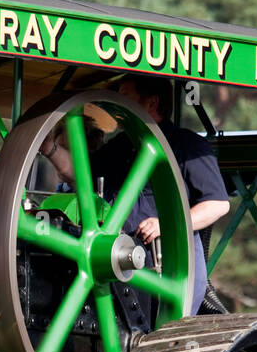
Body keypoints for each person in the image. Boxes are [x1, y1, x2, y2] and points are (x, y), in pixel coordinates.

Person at [42, 73, 231, 318]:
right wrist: (50, 149)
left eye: (125, 96)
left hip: (169, 269)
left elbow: (217, 204)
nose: (117, 105)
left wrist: (166, 225)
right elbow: (78, 173)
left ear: (151, 103)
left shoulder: (187, 145)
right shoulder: (120, 146)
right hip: (118, 263)